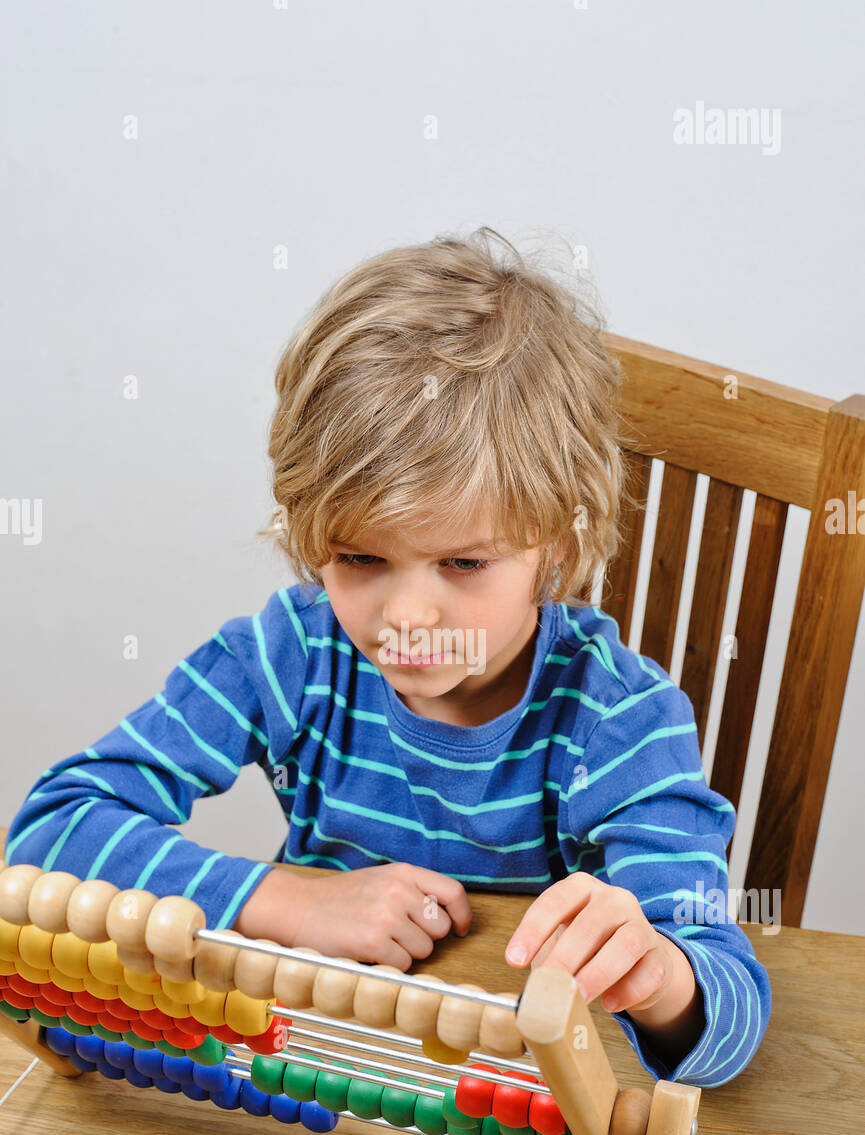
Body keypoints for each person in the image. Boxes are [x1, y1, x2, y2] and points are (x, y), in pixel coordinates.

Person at [4, 227, 770, 1087]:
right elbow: (47, 835)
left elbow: (729, 1010)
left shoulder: (615, 718)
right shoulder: (292, 653)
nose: (407, 614)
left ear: (555, 544)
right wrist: (285, 901)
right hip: (309, 1081)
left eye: (464, 563)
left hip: (507, 1114)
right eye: (360, 558)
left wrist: (657, 975)